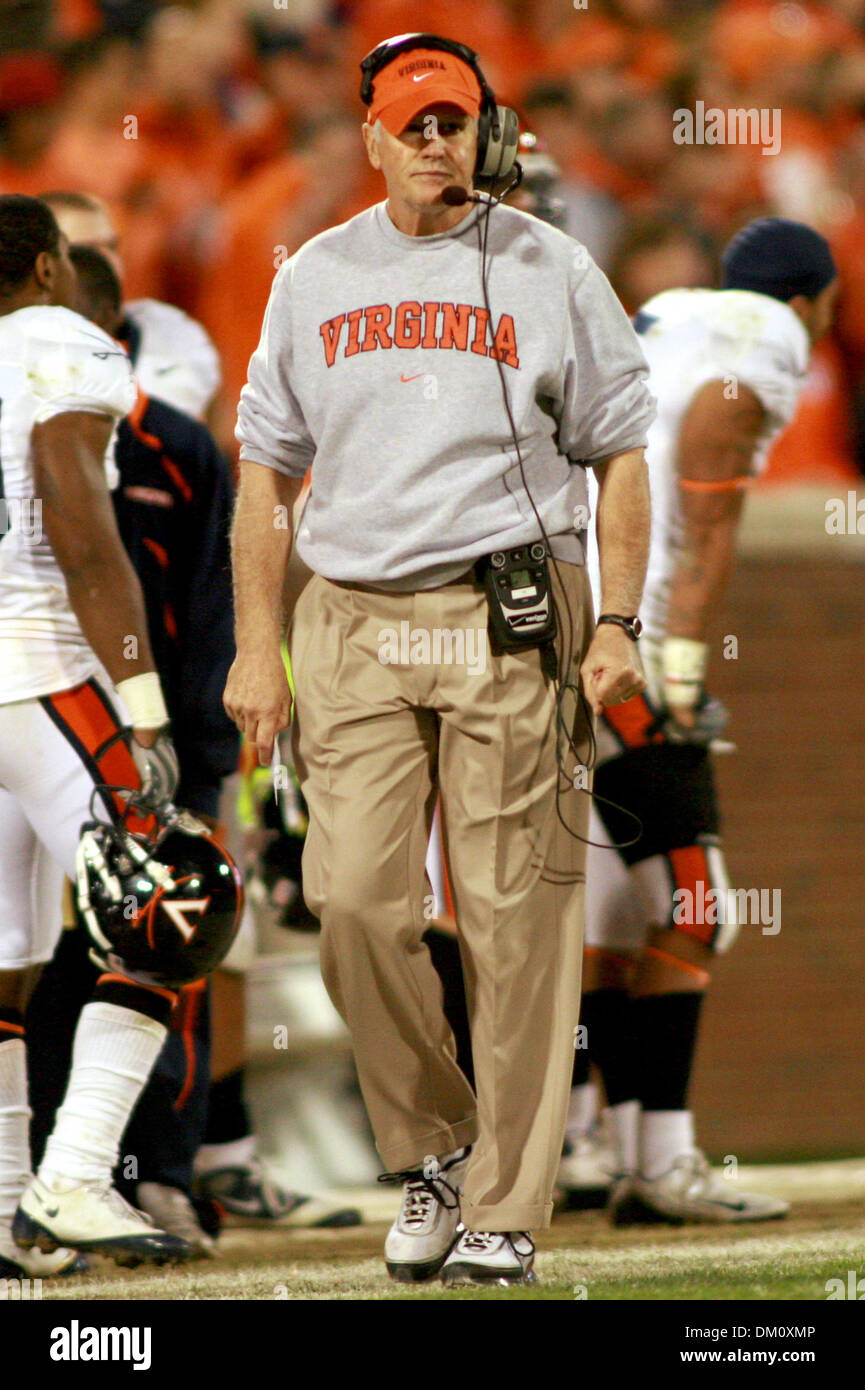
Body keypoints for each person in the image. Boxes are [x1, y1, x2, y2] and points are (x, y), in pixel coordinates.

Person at [224, 33, 654, 1287]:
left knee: (515, 917)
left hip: (507, 608)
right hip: (349, 616)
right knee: (353, 902)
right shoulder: (309, 275)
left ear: (486, 131)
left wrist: (620, 618)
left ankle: (507, 1204)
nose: (431, 144)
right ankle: (438, 1146)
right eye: (408, 124)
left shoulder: (550, 265)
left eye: (451, 123)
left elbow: (622, 450)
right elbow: (265, 472)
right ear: (369, 137)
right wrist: (260, 642)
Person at [558, 218, 839, 1223]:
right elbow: (706, 511)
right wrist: (678, 666)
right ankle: (661, 1161)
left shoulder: (671, 313)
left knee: (607, 908)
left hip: (556, 618)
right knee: (695, 901)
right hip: (619, 637)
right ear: (809, 299)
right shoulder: (763, 336)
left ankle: (610, 1148)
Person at [0, 194, 193, 1270]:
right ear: (41, 268)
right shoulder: (62, 344)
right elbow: (78, 525)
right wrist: (144, 702)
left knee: (7, 958)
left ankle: (4, 1209)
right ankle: (72, 1180)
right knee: (175, 901)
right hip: (39, 672)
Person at [40, 191, 221, 421]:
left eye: (111, 247)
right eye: (88, 251)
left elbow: (212, 444)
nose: (108, 261)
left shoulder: (173, 334)